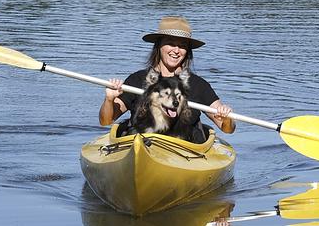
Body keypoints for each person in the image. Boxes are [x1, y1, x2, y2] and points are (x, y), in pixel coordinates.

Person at [99, 16, 234, 142]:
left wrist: (226, 118)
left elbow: (227, 129)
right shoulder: (137, 80)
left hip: (184, 150)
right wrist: (109, 100)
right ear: (159, 46)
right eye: (170, 43)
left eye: (182, 45)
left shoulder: (199, 85)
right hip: (142, 144)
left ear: (187, 51)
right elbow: (105, 120)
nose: (176, 50)